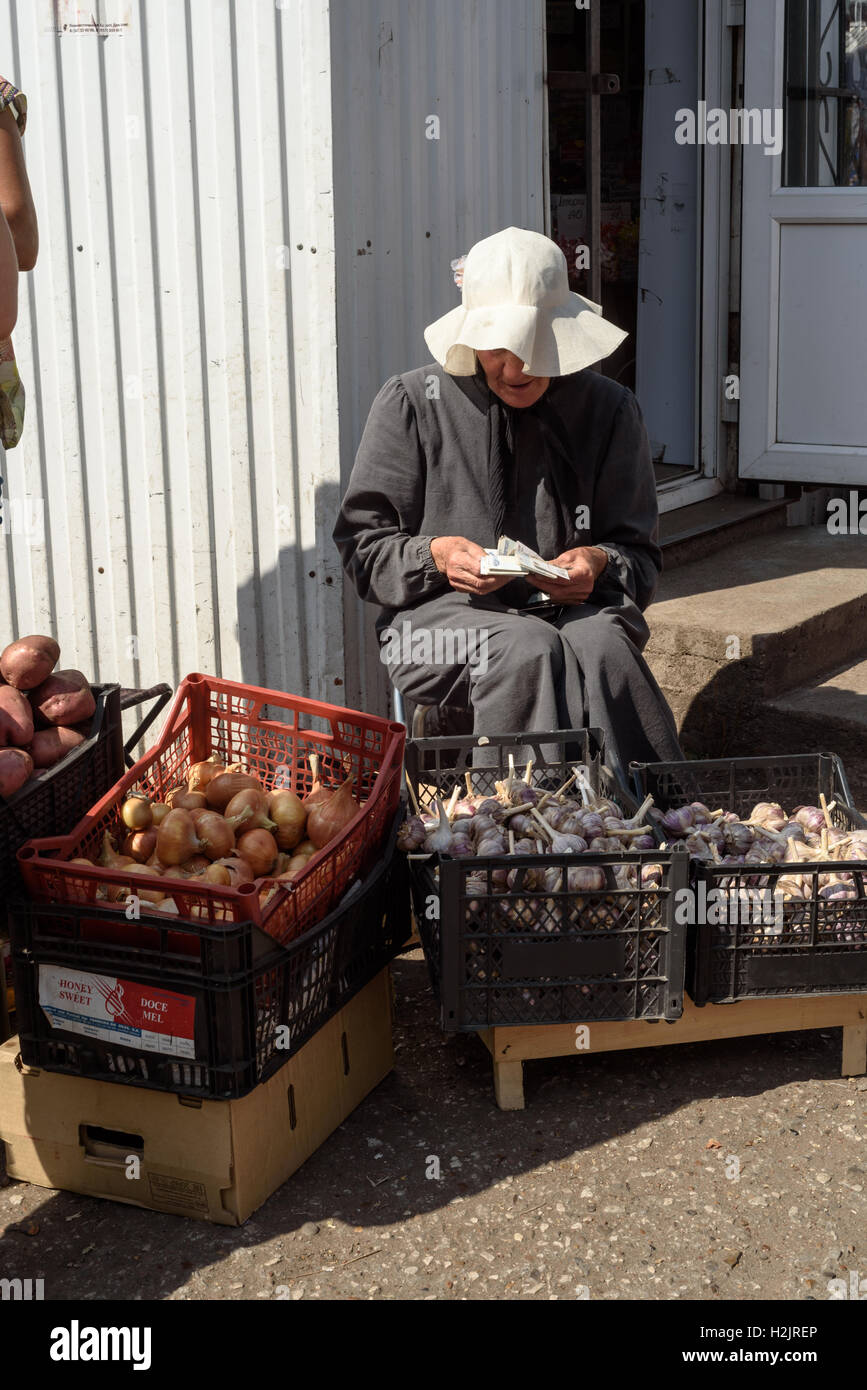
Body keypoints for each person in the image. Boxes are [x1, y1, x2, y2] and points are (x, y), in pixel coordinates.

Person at [333, 226, 683, 779]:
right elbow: (364, 549)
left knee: (603, 648)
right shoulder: (411, 402)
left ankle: (659, 827)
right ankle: (519, 841)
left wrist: (598, 564)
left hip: (575, 612)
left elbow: (638, 558)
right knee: (525, 649)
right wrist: (436, 556)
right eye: (498, 347)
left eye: (534, 347)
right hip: (438, 622)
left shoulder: (610, 410)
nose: (517, 370)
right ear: (470, 334)